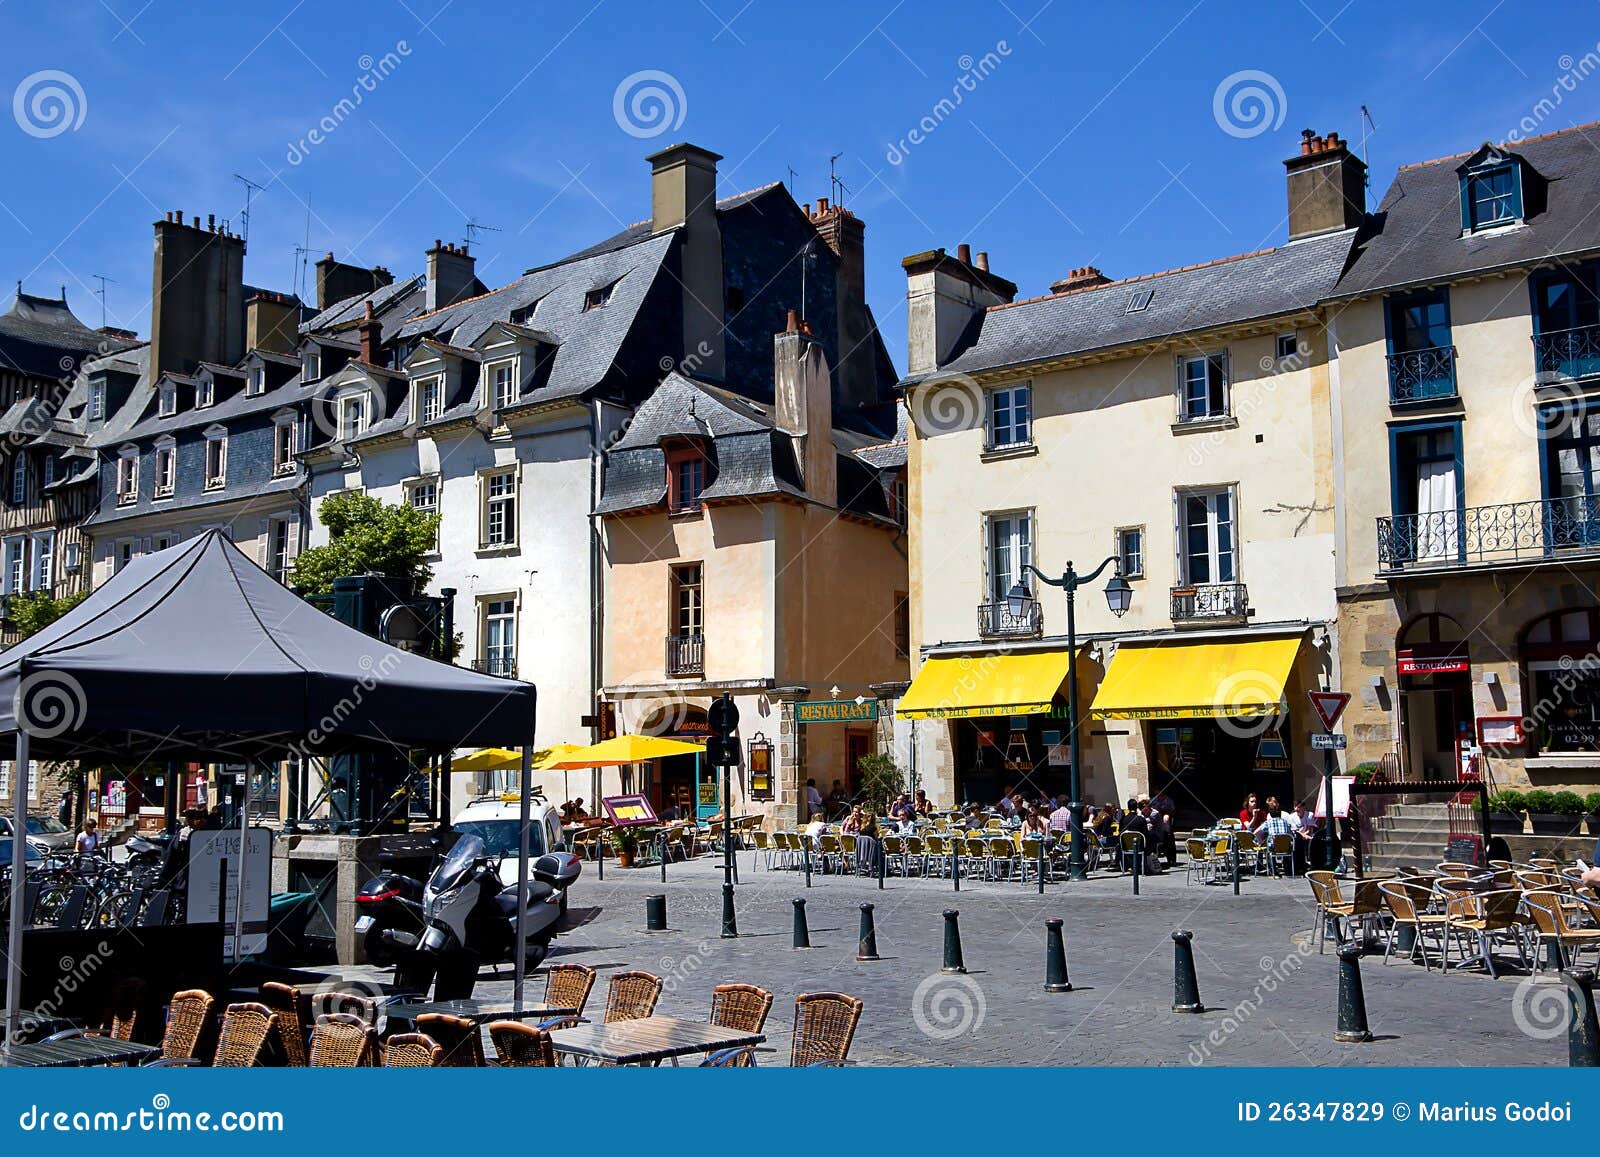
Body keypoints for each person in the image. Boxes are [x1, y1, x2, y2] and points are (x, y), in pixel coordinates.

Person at [1252, 802, 1296, 876]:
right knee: (1285, 844)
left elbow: (1255, 832)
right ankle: (1288, 869)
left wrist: (1261, 841)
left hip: (1274, 847)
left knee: (1268, 847)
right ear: (1280, 814)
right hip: (1286, 847)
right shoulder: (1285, 822)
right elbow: (1290, 834)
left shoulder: (1268, 822)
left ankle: (1273, 870)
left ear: (1270, 814)